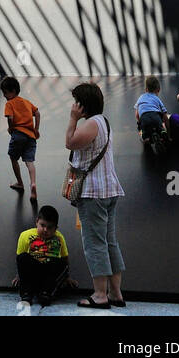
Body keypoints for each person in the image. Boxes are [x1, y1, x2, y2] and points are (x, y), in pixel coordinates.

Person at [66, 81, 125, 310]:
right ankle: (116, 293)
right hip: (109, 190)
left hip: (93, 192)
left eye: (75, 102)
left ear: (82, 104)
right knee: (110, 242)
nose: (73, 105)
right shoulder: (104, 122)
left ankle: (100, 295)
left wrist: (72, 119)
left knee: (95, 244)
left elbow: (69, 142)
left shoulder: (91, 124)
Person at [13, 205, 73, 306]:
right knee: (23, 257)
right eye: (42, 225)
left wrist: (66, 277)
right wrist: (19, 276)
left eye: (49, 227)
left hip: (49, 275)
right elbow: (20, 260)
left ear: (55, 228)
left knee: (61, 262)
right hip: (33, 273)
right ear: (37, 222)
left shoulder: (59, 237)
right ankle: (26, 294)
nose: (45, 230)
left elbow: (65, 259)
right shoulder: (25, 235)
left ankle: (46, 293)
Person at [0, 76, 40, 200]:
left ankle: (20, 183)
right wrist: (36, 129)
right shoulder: (26, 102)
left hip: (18, 134)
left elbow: (10, 118)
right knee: (30, 161)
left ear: (12, 91)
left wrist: (11, 129)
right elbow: (37, 113)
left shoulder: (9, 103)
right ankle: (33, 183)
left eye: (5, 93)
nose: (4, 96)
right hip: (31, 136)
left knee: (13, 158)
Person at [134, 75, 168, 150]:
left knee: (143, 133)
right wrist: (168, 128)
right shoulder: (157, 99)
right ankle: (162, 132)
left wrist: (139, 122)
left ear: (146, 89)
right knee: (161, 125)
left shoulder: (141, 97)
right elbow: (164, 114)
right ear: (158, 90)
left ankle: (147, 139)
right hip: (156, 116)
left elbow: (137, 114)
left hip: (144, 118)